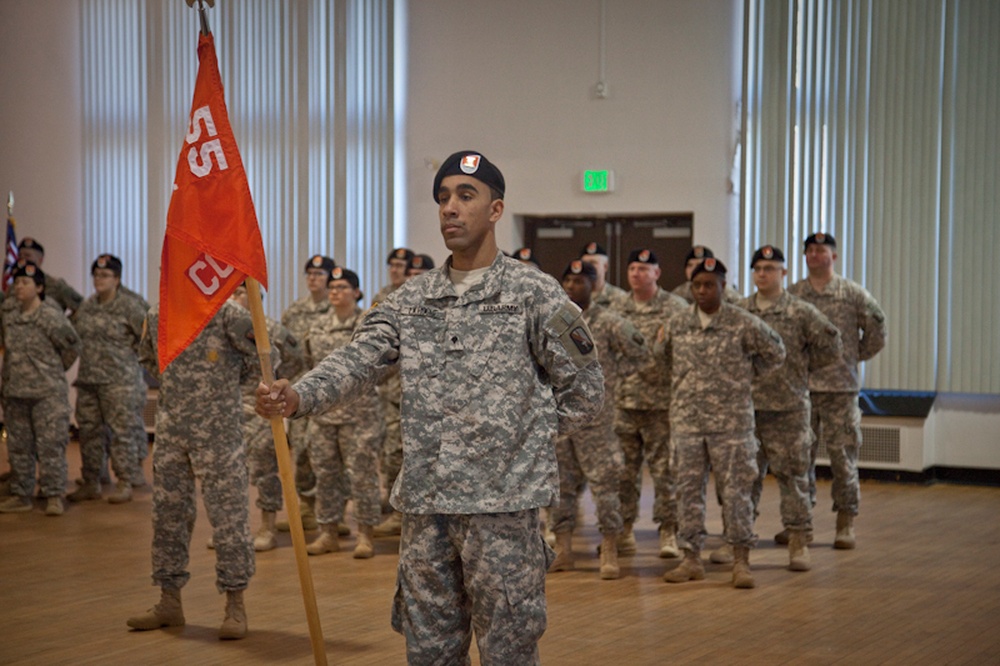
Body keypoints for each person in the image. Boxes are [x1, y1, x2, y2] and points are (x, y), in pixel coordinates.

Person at [256, 150, 603, 664]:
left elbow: (586, 388)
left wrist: (523, 436)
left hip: (501, 510)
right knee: (429, 652)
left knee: (508, 648)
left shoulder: (533, 292)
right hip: (425, 508)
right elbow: (357, 361)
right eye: (443, 198)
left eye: (466, 196)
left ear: (495, 209)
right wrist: (298, 395)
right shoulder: (409, 299)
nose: (450, 208)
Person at [127, 299, 261, 639]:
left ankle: (235, 604)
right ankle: (169, 601)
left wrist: (223, 391)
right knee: (168, 515)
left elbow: (261, 359)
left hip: (219, 432)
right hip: (172, 429)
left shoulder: (231, 314)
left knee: (228, 517)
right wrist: (183, 388)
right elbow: (148, 357)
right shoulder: (159, 314)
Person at [658, 258, 785, 588]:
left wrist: (743, 378)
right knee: (687, 493)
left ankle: (741, 561)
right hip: (687, 422)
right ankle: (691, 559)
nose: (702, 291)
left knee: (736, 494)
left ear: (722, 287)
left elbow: (776, 353)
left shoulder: (743, 322)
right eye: (697, 285)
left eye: (709, 285)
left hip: (732, 424)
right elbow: (661, 358)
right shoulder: (676, 322)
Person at [741, 245, 842, 571]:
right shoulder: (741, 312)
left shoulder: (801, 311)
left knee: (795, 479)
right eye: (758, 268)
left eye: (770, 268)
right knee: (744, 480)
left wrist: (801, 371)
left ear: (783, 273)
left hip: (789, 410)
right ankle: (740, 542)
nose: (762, 273)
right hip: (748, 410)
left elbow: (831, 347)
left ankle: (798, 542)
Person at [549, 259, 647, 580]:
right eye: (568, 280)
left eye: (580, 281)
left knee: (606, 488)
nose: (573, 286)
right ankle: (563, 549)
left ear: (594, 285)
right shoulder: (554, 321)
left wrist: (613, 379)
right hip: (561, 420)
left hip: (598, 423)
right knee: (560, 488)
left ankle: (610, 548)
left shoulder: (609, 322)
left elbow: (642, 354)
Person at [788, 232, 886, 549]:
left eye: (822, 250)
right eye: (810, 251)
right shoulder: (794, 294)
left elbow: (877, 329)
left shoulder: (851, 293)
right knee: (799, 459)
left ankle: (846, 522)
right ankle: (800, 524)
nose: (815, 255)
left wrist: (853, 357)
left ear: (835, 256)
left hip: (840, 389)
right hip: (802, 389)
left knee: (843, 458)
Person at [302, 267, 384, 558]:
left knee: (362, 475)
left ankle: (365, 534)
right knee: (325, 474)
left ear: (357, 292)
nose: (335, 291)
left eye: (343, 287)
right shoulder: (317, 325)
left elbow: (382, 366)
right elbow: (309, 365)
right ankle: (328, 531)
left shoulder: (369, 324)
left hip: (360, 415)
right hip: (324, 417)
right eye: (332, 286)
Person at [612, 248, 688, 558]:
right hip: (623, 402)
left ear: (657, 273)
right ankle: (625, 527)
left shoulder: (676, 308)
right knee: (623, 472)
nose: (637, 274)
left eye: (644, 269)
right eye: (632, 268)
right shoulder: (616, 308)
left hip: (661, 405)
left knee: (665, 472)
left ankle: (668, 530)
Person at [228, 282, 305, 552]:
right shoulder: (220, 329)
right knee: (227, 472)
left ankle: (267, 526)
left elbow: (296, 359)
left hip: (260, 408)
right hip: (228, 410)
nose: (235, 298)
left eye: (240, 293)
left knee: (264, 469)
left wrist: (274, 386)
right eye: (233, 293)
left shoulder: (271, 330)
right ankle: (230, 530)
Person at [0, 263, 81, 516]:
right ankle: (21, 494)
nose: (19, 287)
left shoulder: (50, 315)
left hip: (47, 394)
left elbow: (71, 346)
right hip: (15, 393)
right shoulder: (9, 314)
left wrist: (52, 371)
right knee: (19, 447)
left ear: (39, 287)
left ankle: (53, 494)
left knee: (51, 446)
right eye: (17, 282)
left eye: (25, 283)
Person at [67, 254, 148, 504]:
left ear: (117, 279)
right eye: (96, 275)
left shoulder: (130, 307)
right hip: (89, 381)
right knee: (89, 432)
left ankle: (124, 481)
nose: (98, 280)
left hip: (120, 383)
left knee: (122, 433)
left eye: (105, 275)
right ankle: (92, 481)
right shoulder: (88, 307)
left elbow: (148, 339)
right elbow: (71, 337)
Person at [279, 254, 337, 534]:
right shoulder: (294, 311)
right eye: (310, 273)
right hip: (300, 393)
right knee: (301, 451)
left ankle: (331, 514)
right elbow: (284, 350)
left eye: (319, 273)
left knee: (329, 457)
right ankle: (306, 507)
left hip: (330, 394)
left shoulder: (337, 309)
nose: (313, 278)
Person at [371, 247, 414, 538]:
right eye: (393, 265)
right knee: (390, 453)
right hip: (389, 391)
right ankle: (395, 508)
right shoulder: (382, 298)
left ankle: (409, 512)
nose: (396, 270)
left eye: (402, 265)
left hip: (417, 390)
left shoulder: (425, 295)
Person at [671, 245, 743, 305]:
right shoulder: (679, 293)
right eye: (690, 265)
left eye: (698, 265)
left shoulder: (725, 292)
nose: (694, 269)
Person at [580, 241, 627, 309]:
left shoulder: (620, 298)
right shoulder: (574, 297)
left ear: (605, 266)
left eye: (593, 263)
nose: (588, 267)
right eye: (585, 263)